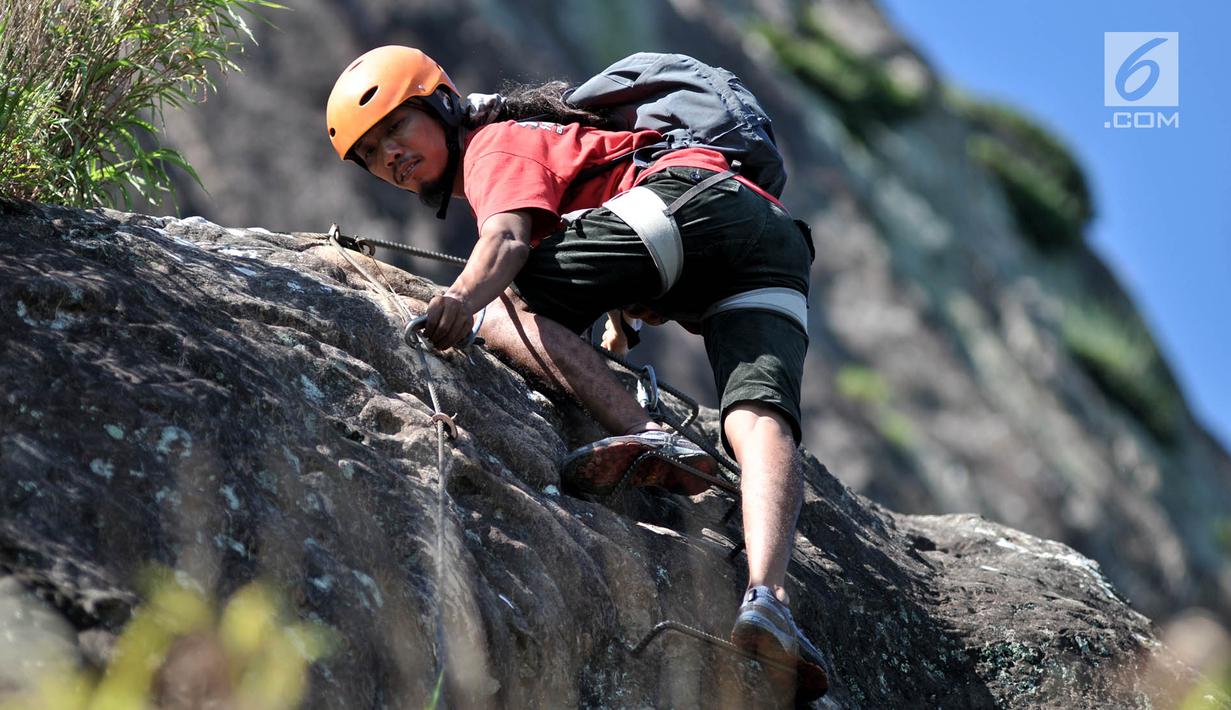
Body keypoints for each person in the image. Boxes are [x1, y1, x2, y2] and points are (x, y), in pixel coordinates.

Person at [325, 46, 825, 685]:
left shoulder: (495, 143)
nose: (389, 155)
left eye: (397, 127)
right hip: (771, 236)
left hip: (684, 202)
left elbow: (505, 240)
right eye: (370, 153)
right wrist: (615, 326)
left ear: (444, 103)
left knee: (502, 305)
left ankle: (651, 437)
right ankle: (767, 600)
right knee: (760, 418)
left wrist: (459, 299)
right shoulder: (559, 138)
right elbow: (605, 237)